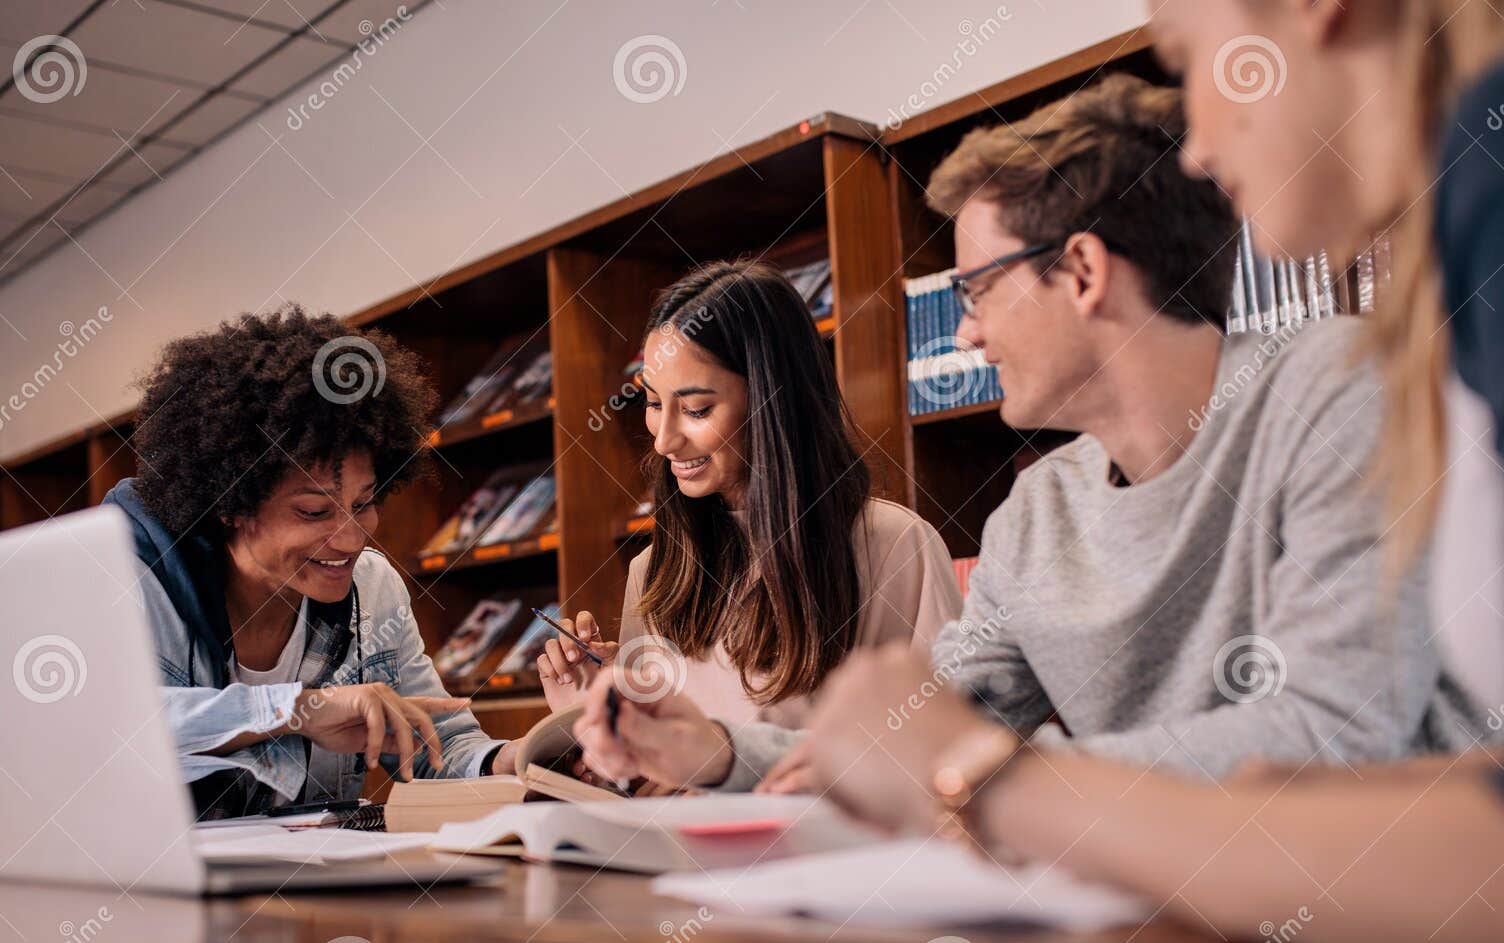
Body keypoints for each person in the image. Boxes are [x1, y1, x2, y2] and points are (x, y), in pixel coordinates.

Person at [804, 0, 1504, 943]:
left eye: (1189, 57)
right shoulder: (1487, 215)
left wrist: (996, 782)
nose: (1195, 149)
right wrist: (768, 751)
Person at [837, 73, 1484, 786]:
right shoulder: (1034, 512)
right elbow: (924, 726)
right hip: (1172, 886)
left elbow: (1333, 733)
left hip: (1388, 887)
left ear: (1082, 270)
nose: (965, 334)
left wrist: (994, 774)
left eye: (976, 289)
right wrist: (730, 751)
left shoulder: (1338, 390)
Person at [538, 261, 962, 791]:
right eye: (651, 403)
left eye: (694, 408)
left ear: (771, 399)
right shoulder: (654, 570)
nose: (664, 440)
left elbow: (945, 755)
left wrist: (714, 763)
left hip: (822, 862)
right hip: (677, 862)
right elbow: (647, 782)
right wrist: (603, 717)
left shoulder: (894, 545)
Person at [105, 307, 526, 820]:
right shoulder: (130, 582)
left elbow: (436, 748)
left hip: (314, 893)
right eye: (313, 511)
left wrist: (519, 759)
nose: (351, 538)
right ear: (230, 502)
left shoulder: (373, 588)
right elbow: (105, 730)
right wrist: (297, 709)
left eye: (365, 502)